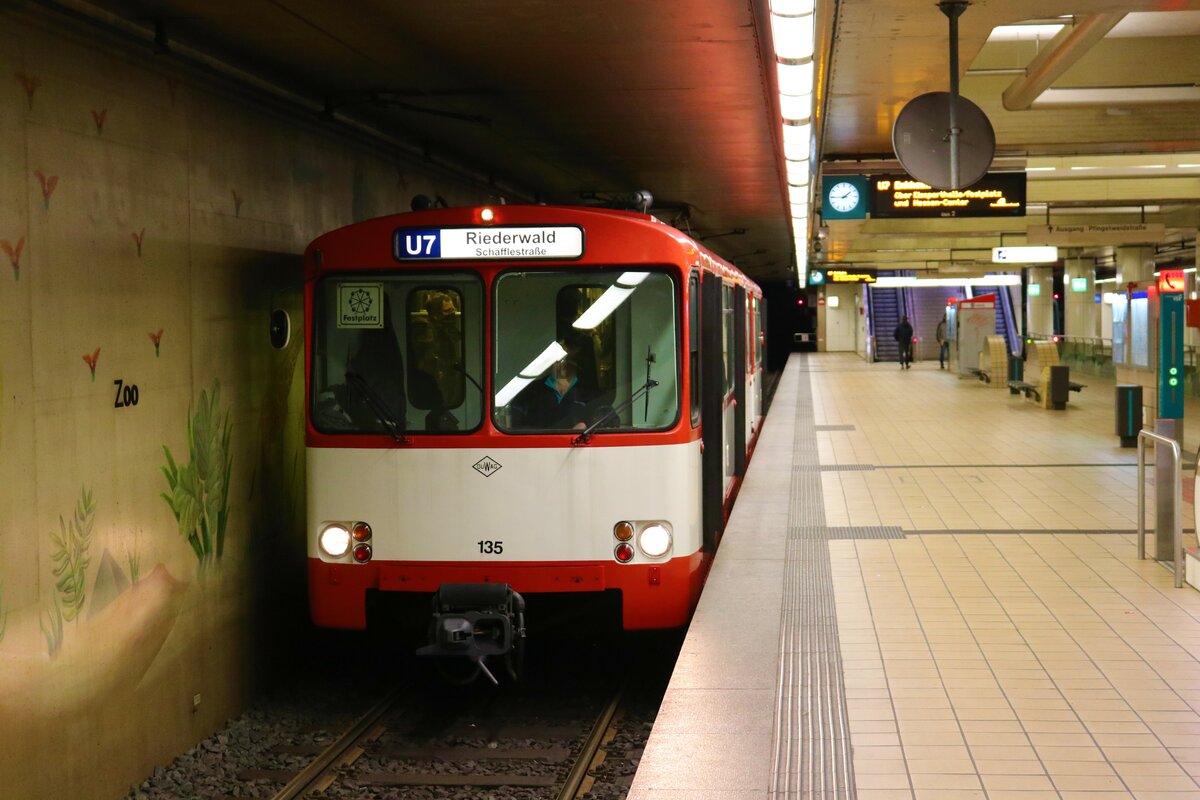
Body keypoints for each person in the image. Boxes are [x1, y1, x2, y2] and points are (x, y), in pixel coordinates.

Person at [512, 359, 589, 430]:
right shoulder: (533, 389)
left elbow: (595, 421)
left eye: (569, 360)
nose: (563, 364)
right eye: (560, 360)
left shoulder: (588, 391)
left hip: (575, 441)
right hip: (539, 441)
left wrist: (584, 426)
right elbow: (516, 419)